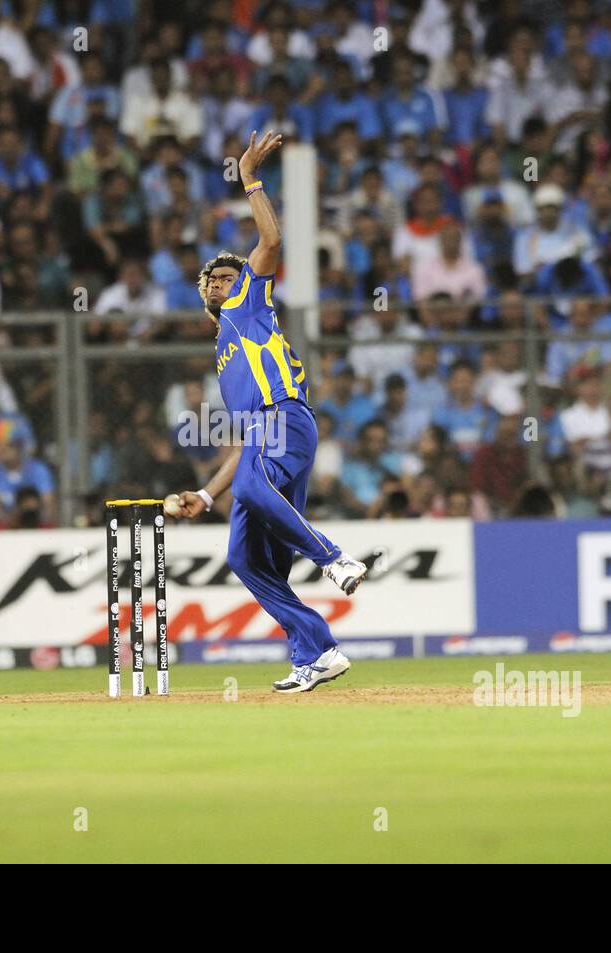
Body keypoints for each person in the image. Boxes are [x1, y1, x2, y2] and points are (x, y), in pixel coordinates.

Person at [170, 131, 368, 694]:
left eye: (228, 274)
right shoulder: (223, 346)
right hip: (264, 436)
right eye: (210, 277)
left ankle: (332, 558)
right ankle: (318, 651)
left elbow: (272, 239)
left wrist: (248, 176)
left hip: (285, 420)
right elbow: (242, 447)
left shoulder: (249, 302)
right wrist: (208, 495)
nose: (218, 280)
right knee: (245, 558)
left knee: (256, 491)